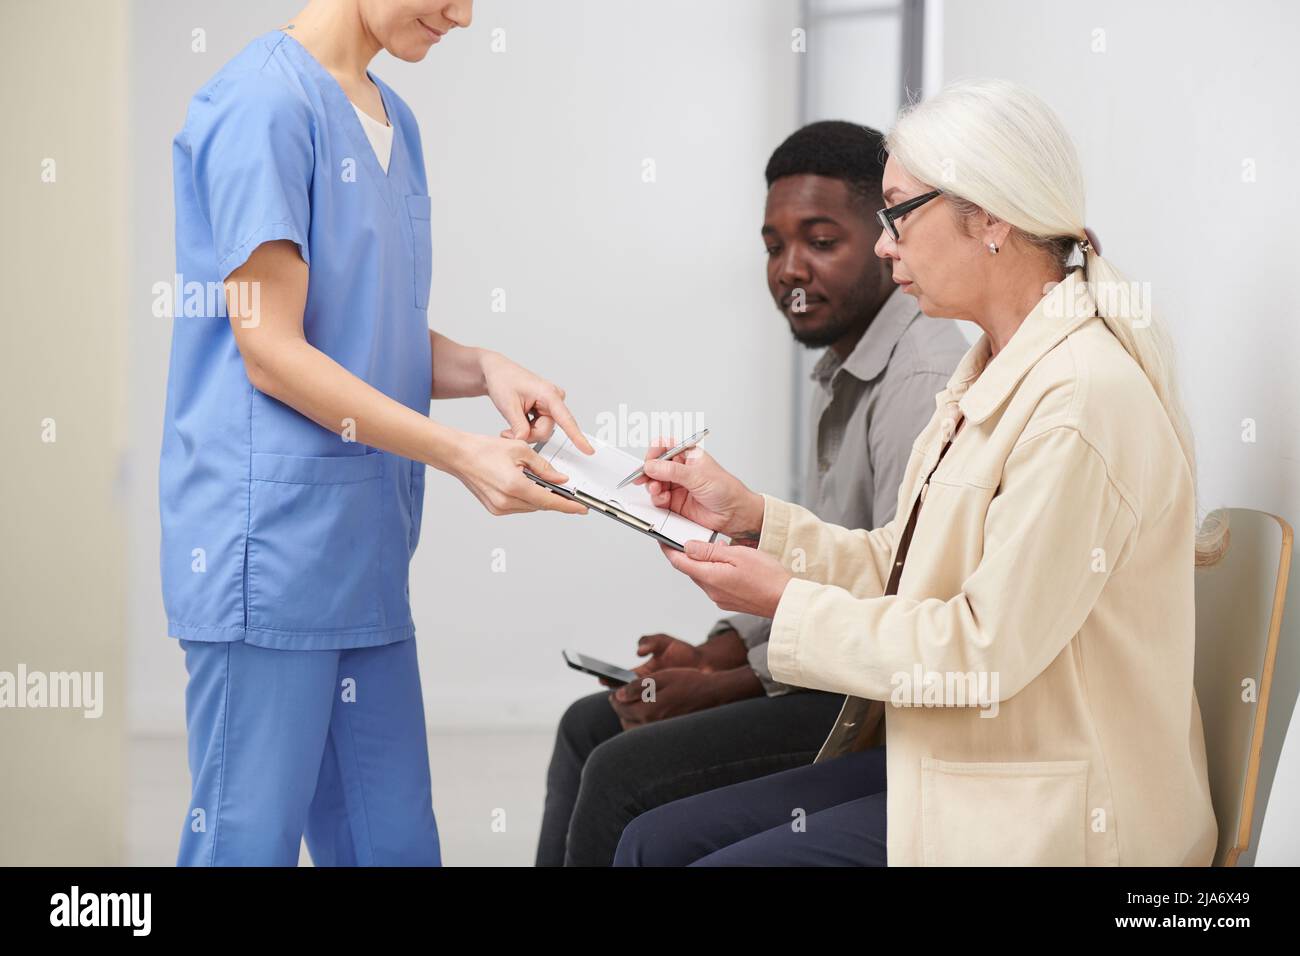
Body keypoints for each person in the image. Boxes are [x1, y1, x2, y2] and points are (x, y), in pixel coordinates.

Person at [614, 78, 1225, 866]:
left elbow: (977, 653)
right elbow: (902, 565)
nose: (882, 242)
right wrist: (753, 517)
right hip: (980, 763)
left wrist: (785, 602)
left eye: (898, 211)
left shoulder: (1080, 402)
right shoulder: (992, 367)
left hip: (1061, 815)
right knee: (653, 840)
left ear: (992, 216)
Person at [161, 0, 592, 866]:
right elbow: (273, 352)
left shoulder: (395, 121)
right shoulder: (261, 106)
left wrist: (482, 369)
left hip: (364, 554)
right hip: (268, 553)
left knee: (393, 844)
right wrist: (463, 451)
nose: (463, 16)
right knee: (247, 843)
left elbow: (359, 328)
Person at [536, 122, 968, 866]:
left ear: (885, 236)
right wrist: (718, 653)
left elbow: (896, 604)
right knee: (590, 725)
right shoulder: (843, 367)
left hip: (869, 703)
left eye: (821, 241)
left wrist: (728, 682)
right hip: (828, 666)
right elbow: (839, 556)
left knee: (619, 771)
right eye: (774, 246)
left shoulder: (922, 381)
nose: (790, 269)